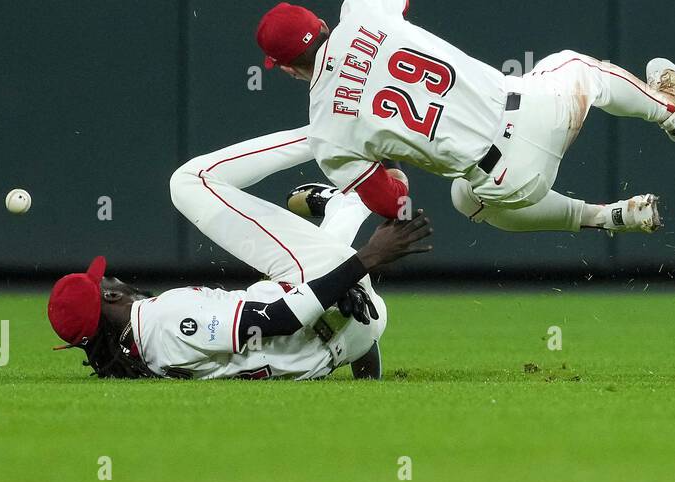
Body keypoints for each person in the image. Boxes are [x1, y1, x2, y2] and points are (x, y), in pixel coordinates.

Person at [253, 0, 675, 238]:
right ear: (322, 23)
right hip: (532, 111)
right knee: (573, 66)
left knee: (466, 198)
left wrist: (387, 166)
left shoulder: (326, 130)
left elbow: (396, 204)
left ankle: (605, 218)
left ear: (289, 70)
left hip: (510, 183)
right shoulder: (361, 11)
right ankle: (671, 111)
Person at [46, 132, 433, 380]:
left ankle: (344, 205)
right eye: (105, 280)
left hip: (345, 336)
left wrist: (342, 291)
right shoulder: (163, 320)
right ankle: (330, 138)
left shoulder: (137, 356)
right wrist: (366, 258)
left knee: (283, 284)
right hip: (324, 321)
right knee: (187, 182)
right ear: (110, 297)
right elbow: (278, 320)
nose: (113, 278)